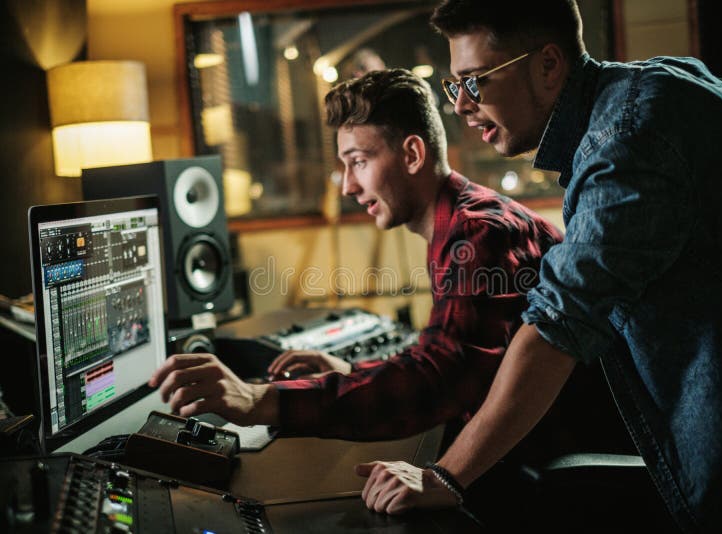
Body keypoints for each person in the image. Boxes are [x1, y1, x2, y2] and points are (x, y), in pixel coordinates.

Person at [356, 1, 722, 532]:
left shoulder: (626, 142)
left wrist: (446, 477)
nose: (461, 107)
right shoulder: (656, 83)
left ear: (548, 64)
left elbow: (557, 327)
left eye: (475, 82)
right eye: (455, 87)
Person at [149, 69, 564, 447]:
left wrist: (261, 399)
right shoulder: (466, 219)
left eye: (359, 162)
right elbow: (456, 358)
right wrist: (352, 372)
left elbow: (438, 382)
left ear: (413, 155)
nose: (348, 185)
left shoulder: (475, 234)